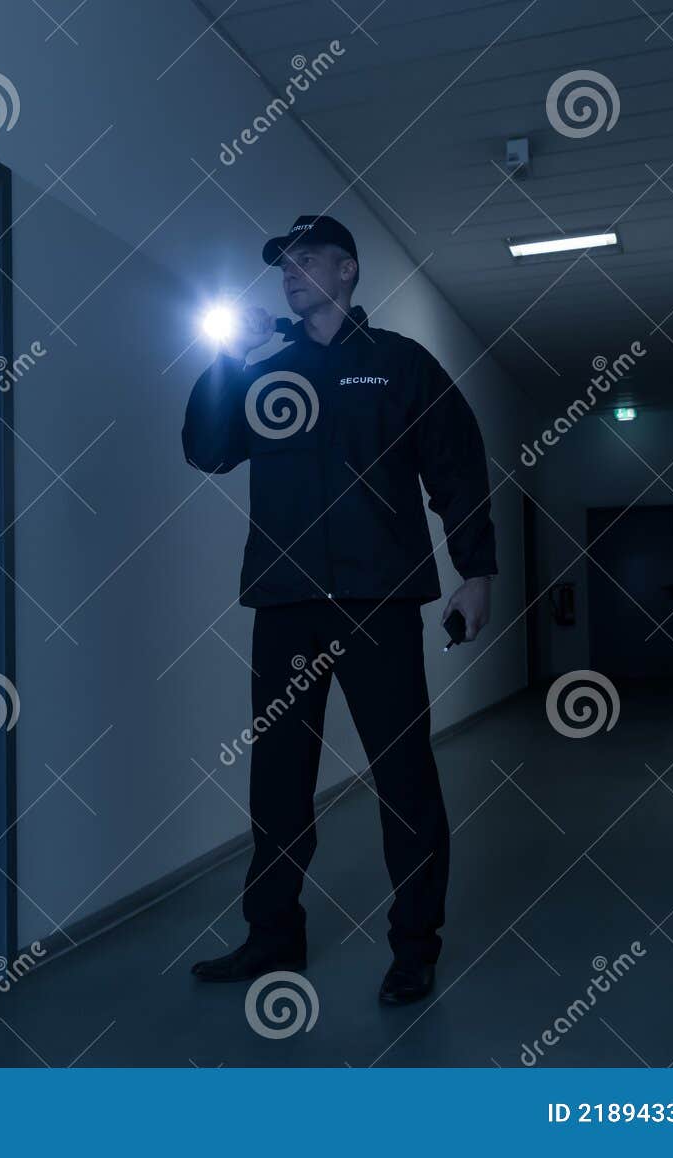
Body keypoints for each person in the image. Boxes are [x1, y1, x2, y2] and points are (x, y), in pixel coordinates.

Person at [182, 215, 496, 1004]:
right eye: (283, 264)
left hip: (378, 603)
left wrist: (476, 570)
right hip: (287, 606)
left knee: (404, 778)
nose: (290, 273)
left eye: (306, 259)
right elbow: (207, 449)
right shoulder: (267, 371)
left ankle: (414, 948)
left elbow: (456, 467)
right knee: (278, 783)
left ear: (347, 270)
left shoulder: (399, 364)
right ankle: (272, 938)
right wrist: (228, 358)